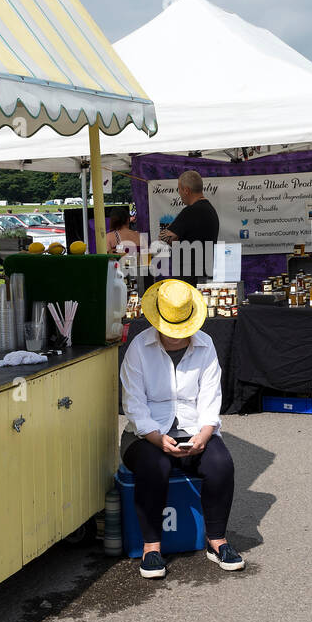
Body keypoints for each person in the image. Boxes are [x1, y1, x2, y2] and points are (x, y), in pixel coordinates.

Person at [119, 278, 244, 580]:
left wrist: (204, 434)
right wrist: (156, 438)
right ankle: (151, 547)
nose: (175, 337)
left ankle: (217, 540)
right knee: (155, 466)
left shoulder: (206, 345)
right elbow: (133, 404)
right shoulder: (139, 347)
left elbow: (211, 397)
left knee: (221, 464)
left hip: (193, 429)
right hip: (145, 434)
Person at [158, 170, 219, 285]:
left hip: (188, 277)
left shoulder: (190, 211)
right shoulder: (211, 210)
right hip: (206, 274)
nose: (179, 194)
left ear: (186, 190)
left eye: (179, 189)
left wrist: (170, 233)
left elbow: (163, 237)